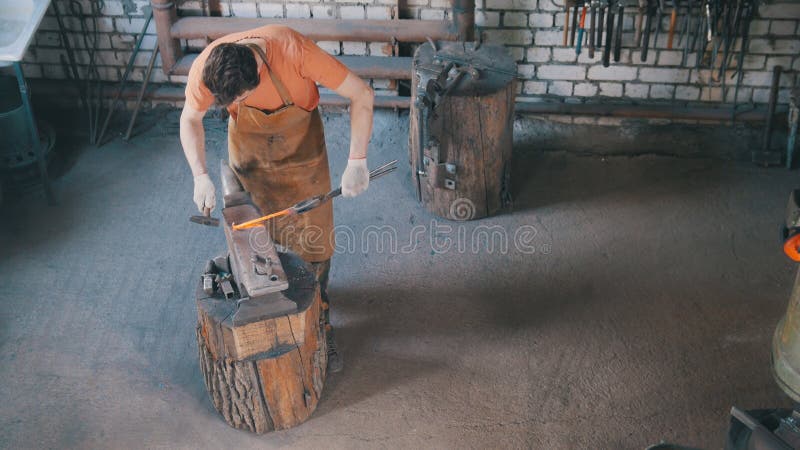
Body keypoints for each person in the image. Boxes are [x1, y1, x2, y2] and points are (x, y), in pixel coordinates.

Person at [180, 25, 375, 372]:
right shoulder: (205, 69)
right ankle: (271, 324)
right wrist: (200, 176)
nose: (234, 106)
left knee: (312, 246)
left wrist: (357, 161)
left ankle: (320, 321)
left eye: (238, 99)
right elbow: (190, 117)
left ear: (257, 74)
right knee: (255, 243)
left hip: (303, 156)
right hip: (251, 158)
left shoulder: (295, 52)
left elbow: (362, 94)